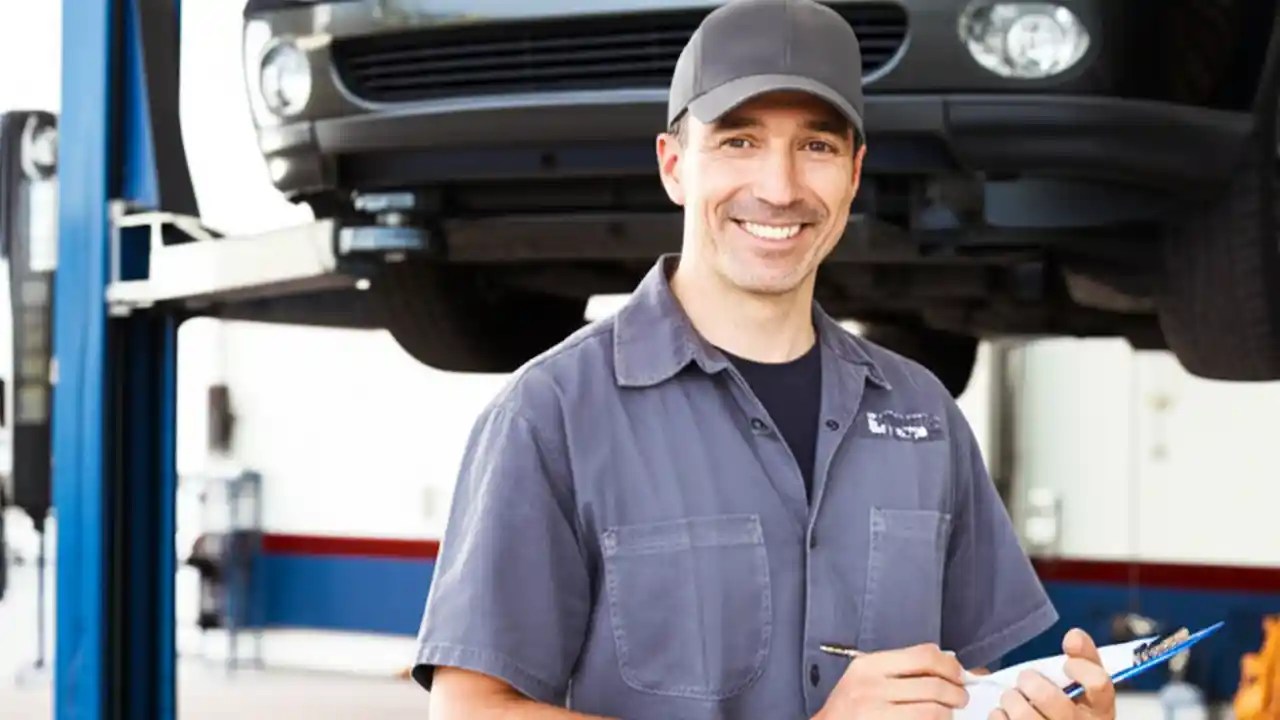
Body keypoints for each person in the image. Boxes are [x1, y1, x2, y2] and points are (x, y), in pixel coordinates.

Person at [411, 0, 1119, 718]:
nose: (779, 189)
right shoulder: (553, 413)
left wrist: (1040, 708)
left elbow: (966, 685)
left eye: (816, 147)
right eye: (739, 142)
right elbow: (473, 711)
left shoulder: (919, 411)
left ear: (853, 172)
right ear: (674, 164)